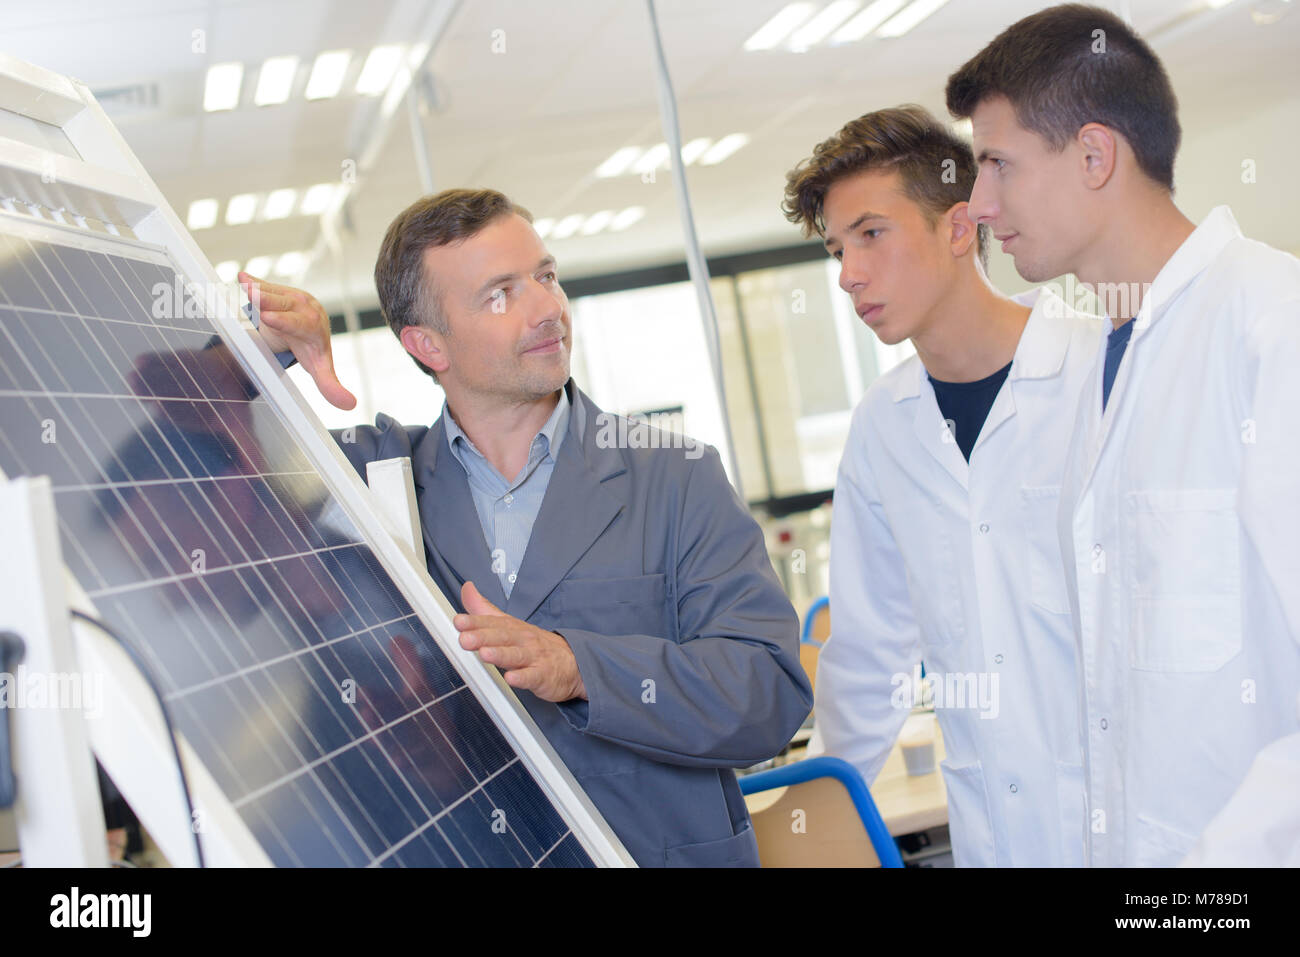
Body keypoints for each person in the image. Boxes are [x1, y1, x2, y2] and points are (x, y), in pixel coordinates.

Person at [240, 187, 813, 867]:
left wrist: (578, 668)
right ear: (428, 344)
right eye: (500, 294)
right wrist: (256, 353)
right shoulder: (375, 482)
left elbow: (768, 693)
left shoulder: (677, 475)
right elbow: (180, 490)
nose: (548, 307)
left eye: (546, 276)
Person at [947, 2, 1300, 866]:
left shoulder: (1271, 326)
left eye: (997, 165)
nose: (979, 206)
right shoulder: (1091, 363)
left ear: (1095, 154)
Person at [788, 105, 1102, 865]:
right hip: (995, 832)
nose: (847, 274)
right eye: (836, 249)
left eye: (871, 234)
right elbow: (867, 657)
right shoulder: (881, 428)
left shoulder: (1101, 374)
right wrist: (810, 823)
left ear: (959, 229)